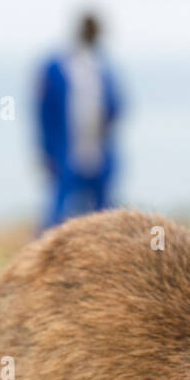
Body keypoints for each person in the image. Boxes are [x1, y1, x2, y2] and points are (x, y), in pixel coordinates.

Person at [35, 13, 123, 230]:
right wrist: (47, 149)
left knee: (104, 213)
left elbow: (115, 106)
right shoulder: (57, 66)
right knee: (57, 211)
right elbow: (44, 112)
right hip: (66, 150)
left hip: (98, 150)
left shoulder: (102, 67)